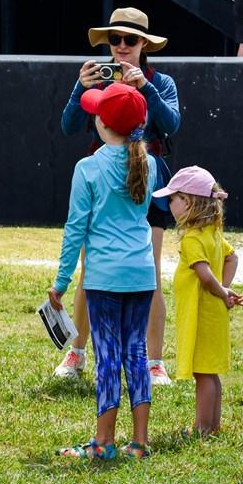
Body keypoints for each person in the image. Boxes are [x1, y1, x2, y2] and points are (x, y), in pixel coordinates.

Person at [54, 8, 181, 387]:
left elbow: (172, 124)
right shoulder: (96, 78)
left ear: (145, 44)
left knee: (152, 271)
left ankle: (154, 361)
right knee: (90, 269)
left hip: (146, 179)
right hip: (103, 175)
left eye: (131, 40)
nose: (122, 48)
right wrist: (81, 88)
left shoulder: (162, 81)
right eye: (115, 40)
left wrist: (147, 89)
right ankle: (76, 353)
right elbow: (68, 126)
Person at [47, 83, 157, 460]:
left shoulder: (88, 168)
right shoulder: (150, 162)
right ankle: (140, 443)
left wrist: (61, 283)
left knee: (108, 356)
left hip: (104, 278)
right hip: (142, 274)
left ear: (102, 122)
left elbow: (75, 229)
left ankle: (103, 443)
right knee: (136, 352)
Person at [154, 166, 243, 437]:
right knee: (211, 373)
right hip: (213, 312)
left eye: (173, 199)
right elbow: (232, 257)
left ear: (189, 202)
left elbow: (204, 276)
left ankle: (202, 428)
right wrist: (225, 288)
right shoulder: (213, 235)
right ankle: (213, 426)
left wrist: (220, 290)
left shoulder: (193, 239)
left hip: (202, 313)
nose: (169, 204)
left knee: (202, 375)